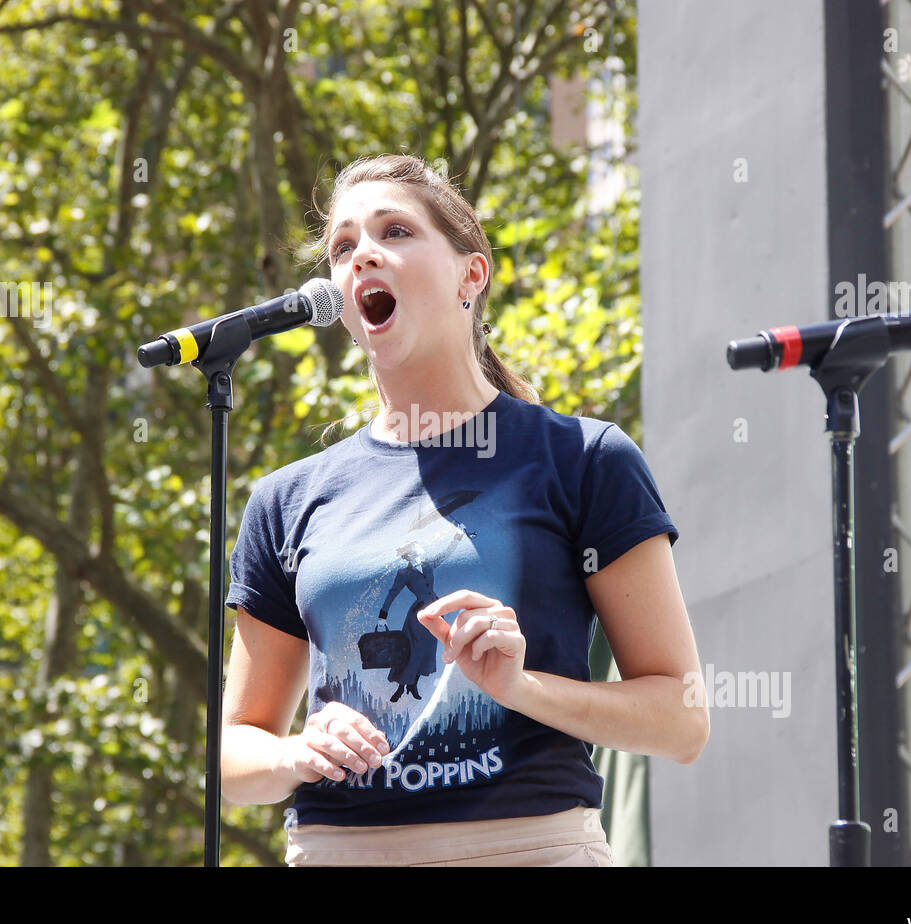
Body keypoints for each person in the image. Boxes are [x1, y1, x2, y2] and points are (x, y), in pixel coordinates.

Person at [221, 153, 708, 867]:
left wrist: (522, 687)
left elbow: (681, 719)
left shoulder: (583, 459)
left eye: (395, 232)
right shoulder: (285, 500)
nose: (363, 257)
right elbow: (236, 754)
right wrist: (297, 753)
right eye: (343, 247)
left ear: (470, 276)